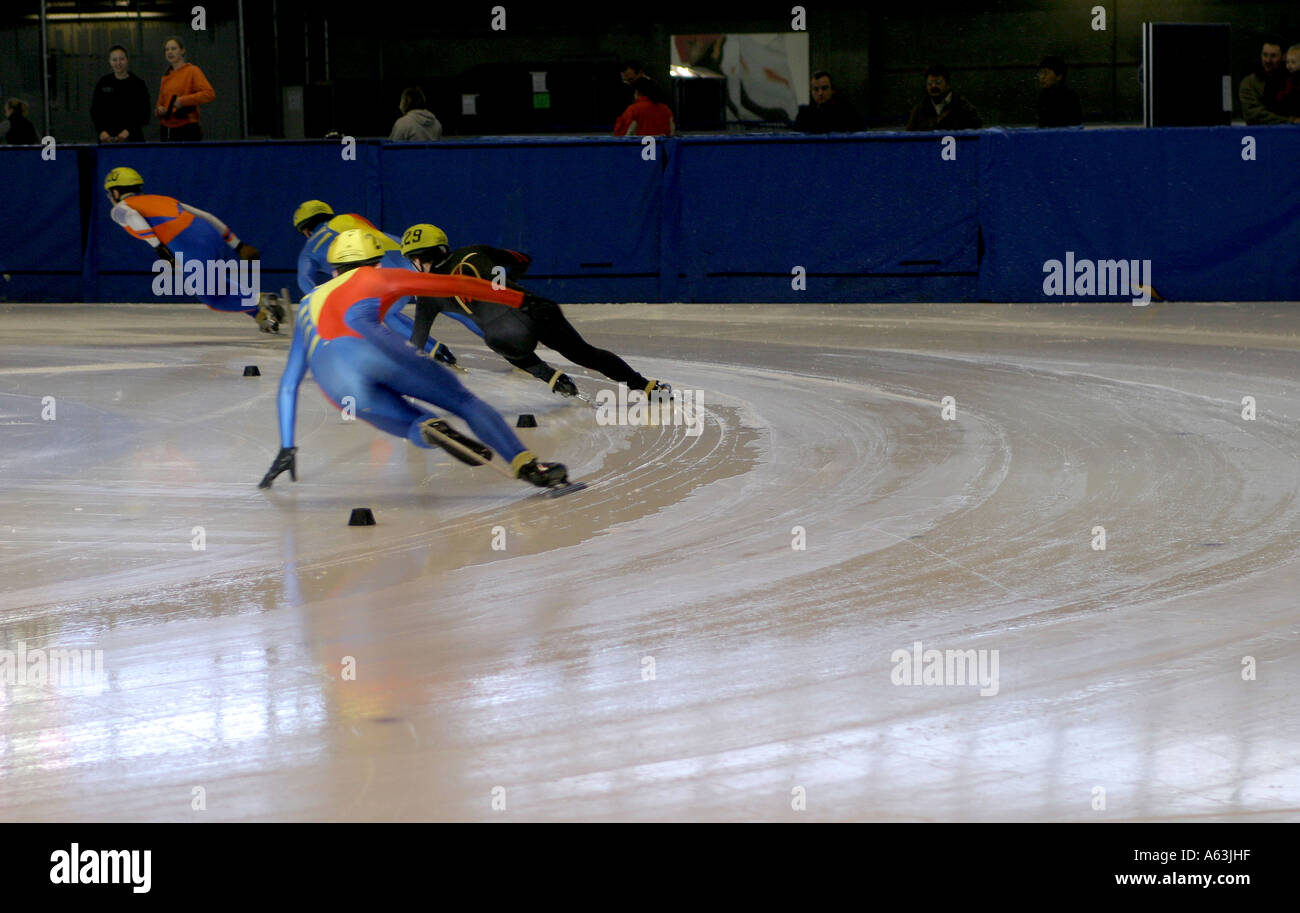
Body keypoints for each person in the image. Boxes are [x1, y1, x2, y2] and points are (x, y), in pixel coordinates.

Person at [258, 228, 571, 491]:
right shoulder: (374, 277)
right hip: (373, 348)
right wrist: (521, 299)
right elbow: (454, 285)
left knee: (411, 423)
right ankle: (529, 466)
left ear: (334, 269)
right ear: (375, 262)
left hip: (335, 381)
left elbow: (289, 384)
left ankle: (426, 428)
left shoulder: (308, 303)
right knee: (463, 402)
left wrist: (287, 446)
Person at [399, 223, 672, 399]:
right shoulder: (473, 253)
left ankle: (551, 377)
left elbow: (418, 339)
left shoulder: (428, 291)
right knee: (585, 353)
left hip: (508, 328)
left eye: (416, 258)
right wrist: (515, 283)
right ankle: (645, 386)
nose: (416, 264)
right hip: (537, 309)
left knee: (498, 339)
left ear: (422, 259)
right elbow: (521, 259)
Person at [104, 166, 283, 331]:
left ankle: (262, 300)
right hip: (208, 233)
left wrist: (159, 248)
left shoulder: (119, 208)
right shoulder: (164, 199)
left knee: (214, 299)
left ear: (116, 192)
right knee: (217, 284)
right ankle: (261, 316)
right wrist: (237, 244)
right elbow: (207, 216)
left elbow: (133, 216)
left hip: (186, 241)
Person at [291, 199, 471, 363]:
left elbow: (305, 281)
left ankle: (437, 351)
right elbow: (376, 235)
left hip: (381, 278)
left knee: (386, 312)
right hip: (414, 256)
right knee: (451, 303)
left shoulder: (307, 252)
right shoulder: (347, 218)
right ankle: (495, 336)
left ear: (306, 231)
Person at [156, 36, 215, 141]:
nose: (170, 52)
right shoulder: (165, 77)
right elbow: (160, 103)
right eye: (167, 50)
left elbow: (209, 93)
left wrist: (183, 101)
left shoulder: (192, 71)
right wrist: (160, 110)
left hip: (187, 127)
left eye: (173, 48)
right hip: (167, 129)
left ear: (182, 51)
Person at [91, 45, 151, 142]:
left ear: (127, 60)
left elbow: (145, 114)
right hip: (107, 140)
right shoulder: (103, 82)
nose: (118, 63)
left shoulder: (138, 84)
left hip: (133, 139)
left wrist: (129, 131)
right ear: (110, 62)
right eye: (114, 60)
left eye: (121, 59)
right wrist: (101, 131)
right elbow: (95, 111)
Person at [905, 64, 982, 131]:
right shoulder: (919, 111)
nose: (933, 86)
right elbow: (910, 138)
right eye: (929, 84)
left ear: (948, 84)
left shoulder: (964, 108)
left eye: (938, 82)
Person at [1239, 37, 1293, 125]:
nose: (1268, 60)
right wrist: (1291, 121)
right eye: (1265, 55)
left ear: (1283, 57)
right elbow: (1253, 115)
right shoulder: (1249, 83)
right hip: (1260, 135)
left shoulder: (1292, 81)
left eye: (1273, 56)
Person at [793, 71, 864, 133]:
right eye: (816, 89)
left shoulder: (847, 112)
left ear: (832, 90)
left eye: (824, 88)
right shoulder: (804, 115)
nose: (820, 93)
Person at [1036, 56, 1082, 127]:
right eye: (1040, 73)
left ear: (1059, 76)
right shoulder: (1043, 96)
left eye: (1046, 73)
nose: (1042, 77)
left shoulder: (1070, 96)